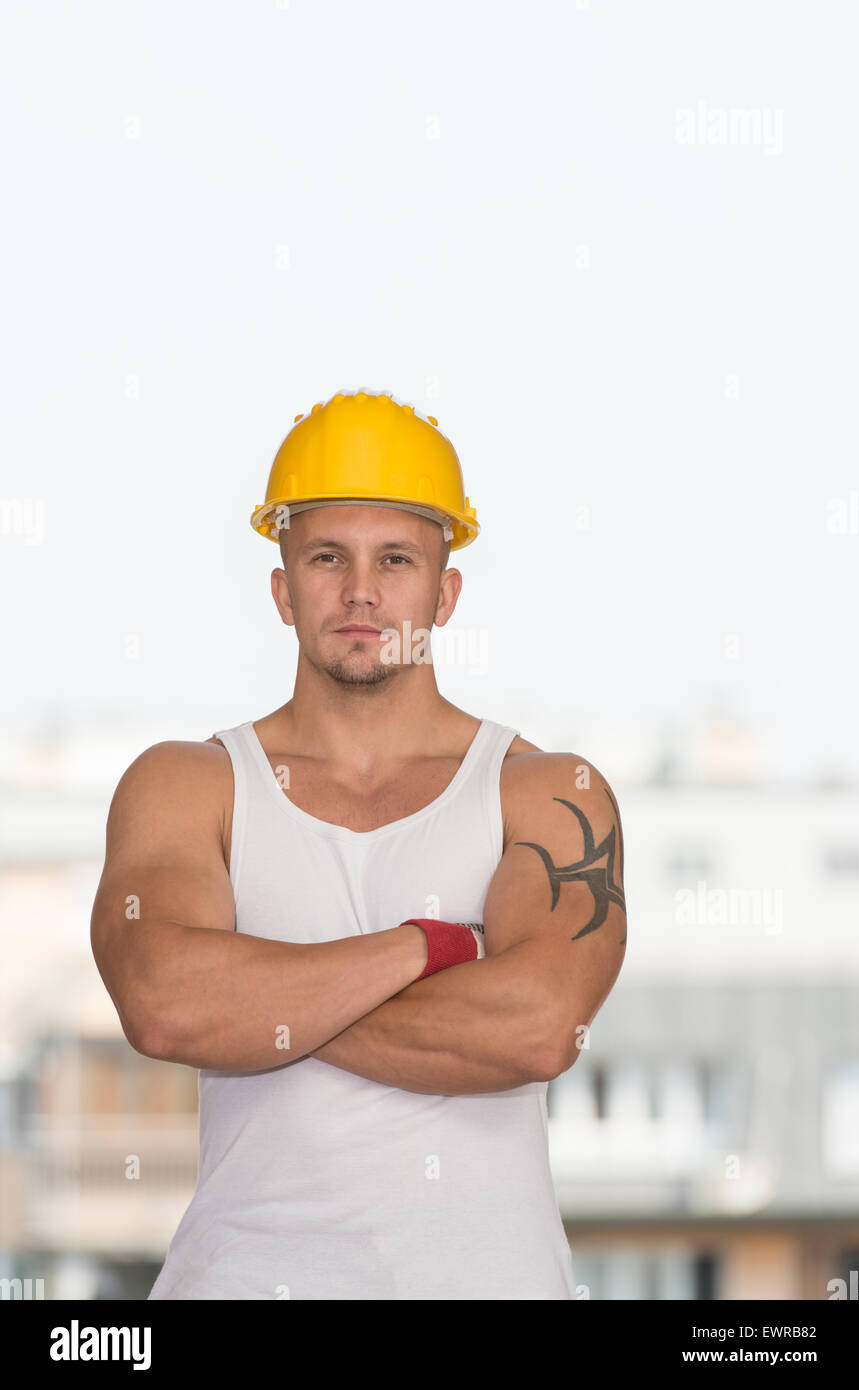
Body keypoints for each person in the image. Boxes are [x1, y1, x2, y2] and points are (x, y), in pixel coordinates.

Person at [90, 388, 627, 1300]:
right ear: (281, 586)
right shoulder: (187, 783)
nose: (361, 592)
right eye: (327, 557)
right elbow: (168, 1009)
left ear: (445, 592)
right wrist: (431, 948)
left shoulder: (544, 792)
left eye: (396, 560)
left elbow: (537, 1030)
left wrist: (256, 1003)